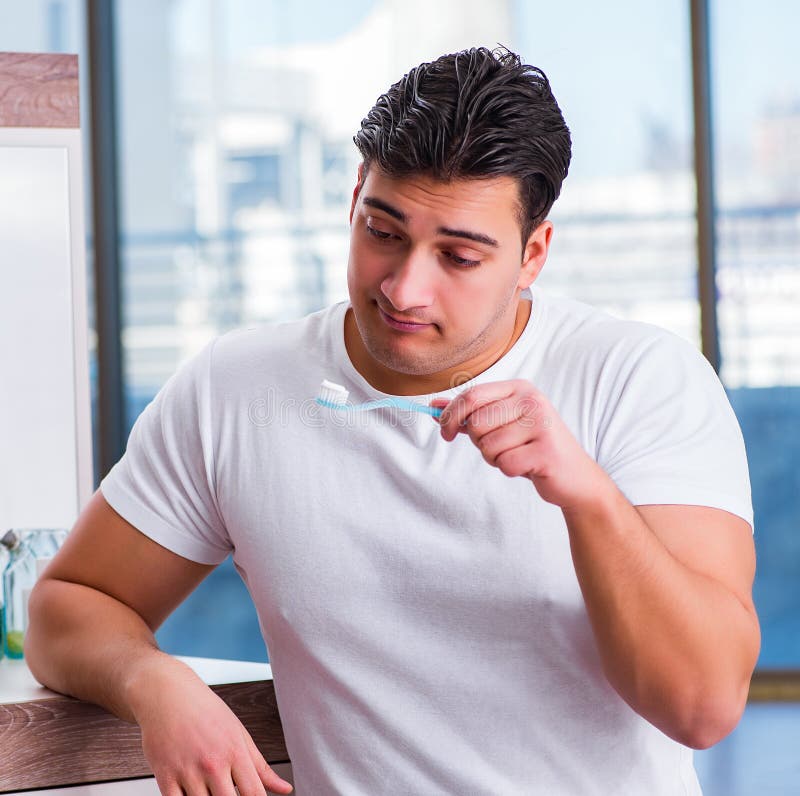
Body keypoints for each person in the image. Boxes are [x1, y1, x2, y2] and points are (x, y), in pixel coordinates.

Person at [26, 47, 759, 795]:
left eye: (459, 257)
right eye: (384, 232)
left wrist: (588, 497)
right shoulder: (234, 389)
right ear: (353, 201)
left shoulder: (641, 381)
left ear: (533, 253)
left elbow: (701, 707)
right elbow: (68, 607)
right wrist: (156, 683)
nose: (405, 288)